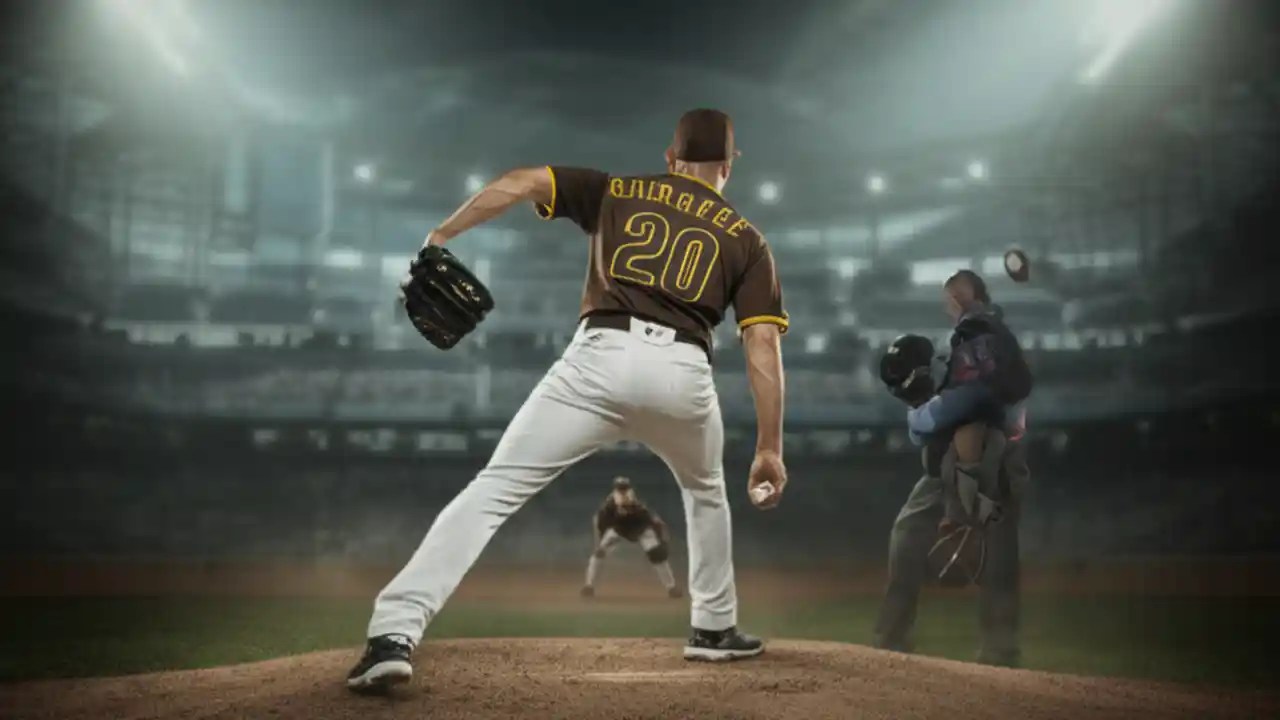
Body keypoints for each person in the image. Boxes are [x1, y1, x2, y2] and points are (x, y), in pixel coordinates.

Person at [347, 109, 791, 692]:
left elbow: (518, 182)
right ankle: (712, 629)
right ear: (729, 167)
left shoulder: (615, 189)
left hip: (598, 359)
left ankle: (393, 634)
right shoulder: (748, 240)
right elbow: (762, 344)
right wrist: (769, 448)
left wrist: (442, 235)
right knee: (706, 492)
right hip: (683, 374)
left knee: (494, 489)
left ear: (669, 158)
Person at [873, 269, 1031, 667]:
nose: (948, 305)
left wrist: (921, 420)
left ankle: (999, 650)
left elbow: (973, 399)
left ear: (963, 294)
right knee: (909, 532)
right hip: (949, 460)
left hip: (992, 457)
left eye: (951, 297)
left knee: (997, 552)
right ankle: (891, 638)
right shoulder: (971, 339)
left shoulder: (980, 334)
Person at [581, 476, 682, 599]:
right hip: (619, 530)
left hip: (641, 530)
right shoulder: (609, 505)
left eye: (624, 488)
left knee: (657, 556)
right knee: (598, 554)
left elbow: (658, 523)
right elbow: (597, 522)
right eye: (620, 488)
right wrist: (598, 543)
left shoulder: (639, 507)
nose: (622, 491)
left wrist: (662, 541)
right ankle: (589, 585)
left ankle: (671, 587)